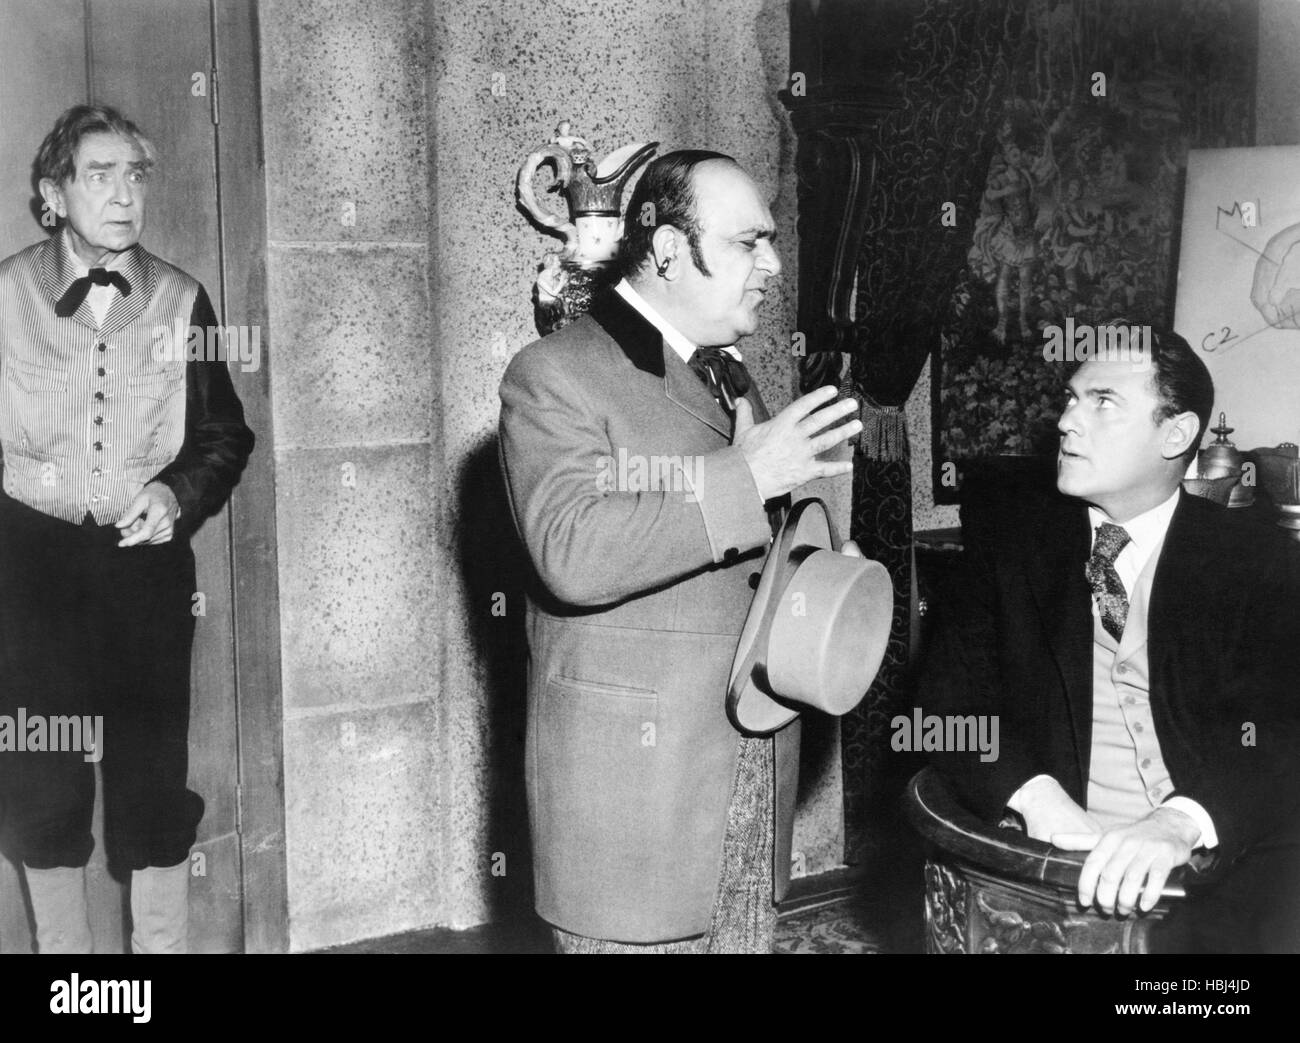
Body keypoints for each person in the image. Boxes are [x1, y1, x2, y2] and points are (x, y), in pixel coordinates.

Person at [498, 150, 861, 952]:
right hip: (634, 806)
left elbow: (744, 554)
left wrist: (821, 561)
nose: (771, 264)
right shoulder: (556, 373)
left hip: (746, 772)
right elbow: (572, 549)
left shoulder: (730, 375)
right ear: (666, 251)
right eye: (748, 242)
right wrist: (749, 475)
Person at [920, 326, 1300, 953]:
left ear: (1174, 434)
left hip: (1220, 856)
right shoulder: (1010, 540)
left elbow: (1280, 726)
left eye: (1102, 402)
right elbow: (949, 703)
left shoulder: (1254, 557)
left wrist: (1183, 821)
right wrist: (1035, 797)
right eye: (1072, 399)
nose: (1068, 422)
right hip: (1055, 863)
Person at [0, 104, 254, 953]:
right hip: (29, 571)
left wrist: (177, 493)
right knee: (41, 784)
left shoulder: (181, 298)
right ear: (53, 194)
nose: (122, 195)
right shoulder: (4, 296)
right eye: (98, 175)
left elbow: (225, 433)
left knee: (151, 783)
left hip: (143, 574)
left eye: (134, 176)